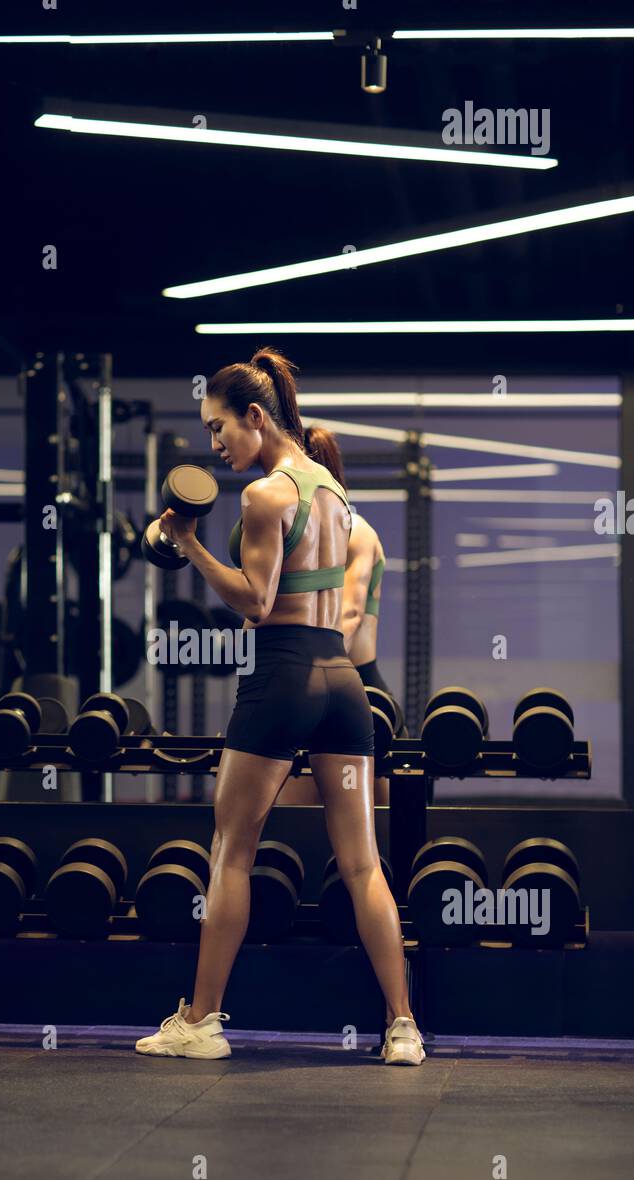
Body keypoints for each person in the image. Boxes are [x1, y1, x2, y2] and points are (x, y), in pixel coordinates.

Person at [135, 348, 423, 1066]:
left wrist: (190, 546)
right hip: (344, 687)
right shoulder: (333, 492)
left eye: (218, 427)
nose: (214, 443)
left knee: (231, 851)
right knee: (363, 865)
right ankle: (404, 1027)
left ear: (255, 417)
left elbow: (257, 603)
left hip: (283, 678)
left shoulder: (267, 496)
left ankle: (200, 1024)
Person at [277, 425, 400, 809]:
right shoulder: (297, 534)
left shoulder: (355, 531)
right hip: (311, 683)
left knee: (383, 833)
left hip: (360, 690)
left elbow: (348, 614)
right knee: (295, 827)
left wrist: (314, 674)